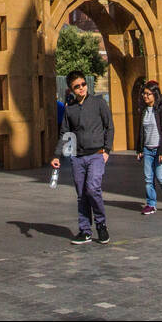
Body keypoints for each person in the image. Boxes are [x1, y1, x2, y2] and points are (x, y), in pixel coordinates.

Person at [50, 69, 114, 244]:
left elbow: (110, 126)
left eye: (83, 84)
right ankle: (85, 230)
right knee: (81, 194)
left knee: (93, 189)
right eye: (77, 86)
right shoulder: (70, 109)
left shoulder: (99, 103)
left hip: (96, 154)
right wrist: (57, 155)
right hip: (78, 157)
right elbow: (65, 132)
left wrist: (107, 150)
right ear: (71, 89)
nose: (81, 88)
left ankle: (101, 225)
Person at [134, 80, 162, 214]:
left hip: (161, 148)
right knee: (148, 178)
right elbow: (141, 131)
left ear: (155, 95)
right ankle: (151, 204)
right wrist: (140, 149)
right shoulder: (143, 111)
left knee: (160, 176)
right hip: (148, 148)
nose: (145, 96)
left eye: (148, 94)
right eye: (144, 94)